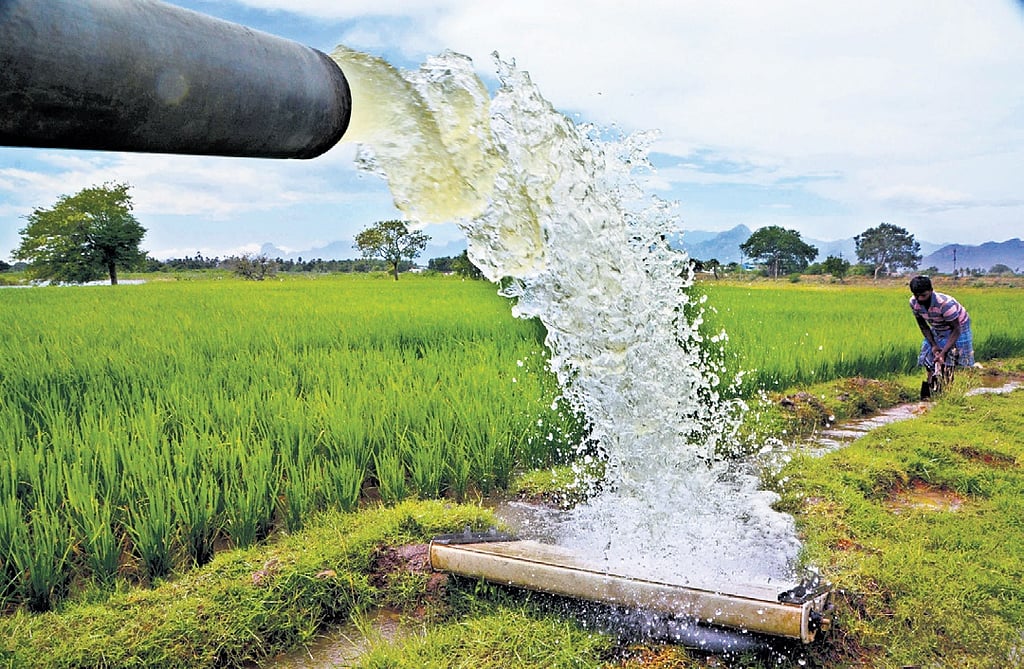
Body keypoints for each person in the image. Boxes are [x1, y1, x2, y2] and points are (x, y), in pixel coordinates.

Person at [908, 275, 975, 384]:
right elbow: (923, 326)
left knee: (950, 359)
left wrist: (943, 352)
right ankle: (931, 384)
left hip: (958, 326)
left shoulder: (945, 304)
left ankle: (948, 387)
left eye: (923, 295)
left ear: (931, 291)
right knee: (929, 356)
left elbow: (956, 329)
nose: (920, 299)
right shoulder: (914, 303)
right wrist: (934, 346)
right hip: (937, 325)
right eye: (917, 295)